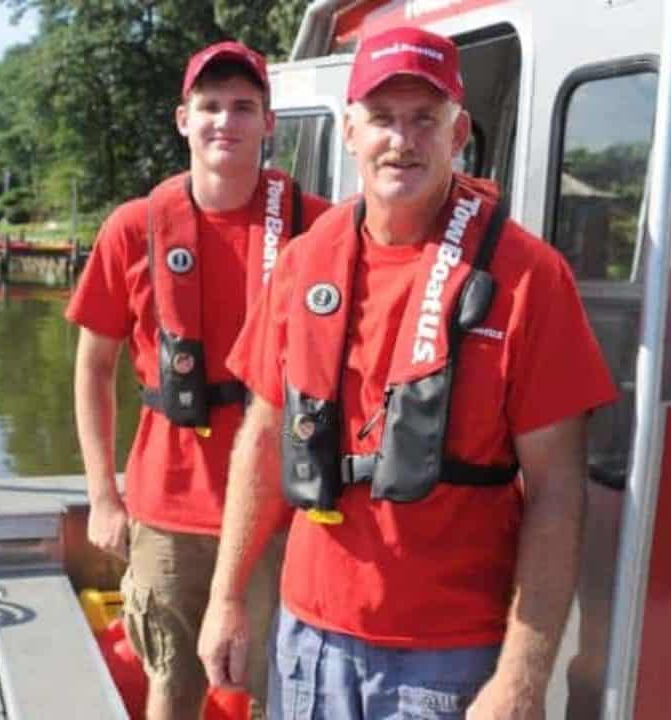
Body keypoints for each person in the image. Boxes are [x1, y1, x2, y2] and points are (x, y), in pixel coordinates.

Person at [197, 26, 618, 720]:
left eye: (426, 119)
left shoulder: (529, 278)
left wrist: (520, 678)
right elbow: (263, 439)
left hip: (447, 660)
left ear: (458, 136)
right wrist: (228, 596)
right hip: (308, 642)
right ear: (351, 131)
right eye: (383, 119)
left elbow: (558, 492)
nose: (403, 139)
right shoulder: (306, 260)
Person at [67, 40, 331, 720]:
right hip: (169, 511)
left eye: (244, 107)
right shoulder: (133, 228)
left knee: (287, 690)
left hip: (286, 511)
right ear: (183, 119)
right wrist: (103, 495)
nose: (225, 121)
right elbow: (94, 369)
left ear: (269, 123)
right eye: (209, 106)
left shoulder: (323, 229)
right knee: (171, 689)